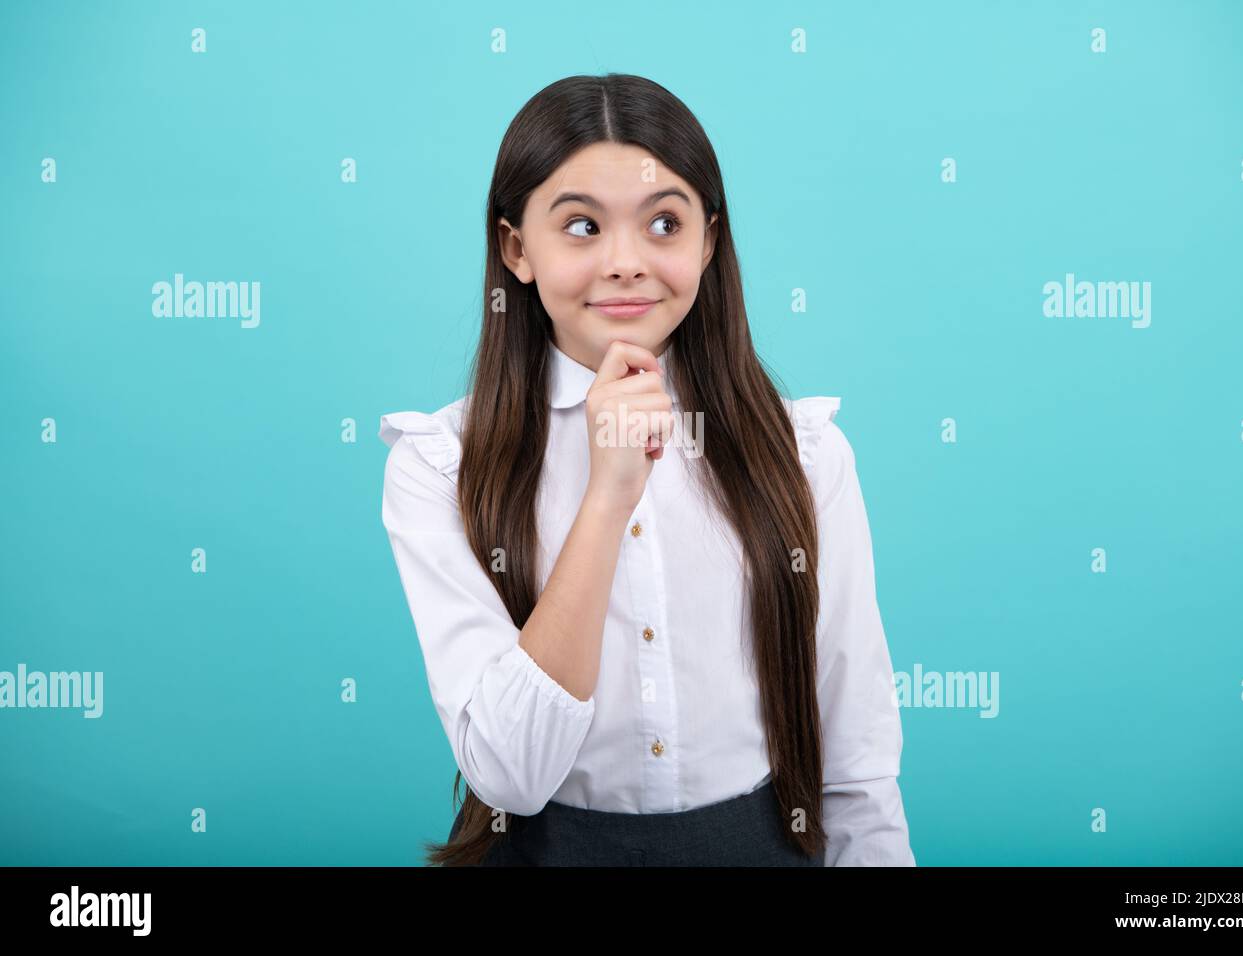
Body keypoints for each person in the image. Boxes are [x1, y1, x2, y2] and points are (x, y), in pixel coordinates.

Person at [379, 73, 915, 867]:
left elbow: (857, 758)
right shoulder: (440, 466)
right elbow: (509, 775)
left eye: (664, 222)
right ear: (517, 249)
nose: (627, 262)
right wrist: (608, 494)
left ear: (707, 240)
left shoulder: (806, 456)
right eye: (582, 227)